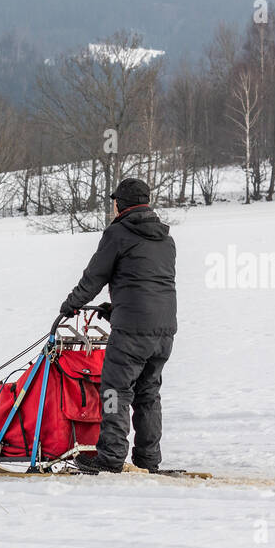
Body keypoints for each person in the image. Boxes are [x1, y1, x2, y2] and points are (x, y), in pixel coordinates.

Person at [58, 178, 177, 473]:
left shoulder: (118, 234)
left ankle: (110, 457)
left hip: (133, 330)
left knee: (114, 390)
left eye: (114, 202)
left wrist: (71, 305)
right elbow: (146, 283)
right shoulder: (165, 238)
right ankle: (148, 459)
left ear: (120, 204)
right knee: (148, 393)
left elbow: (94, 277)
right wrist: (115, 310)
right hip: (164, 329)